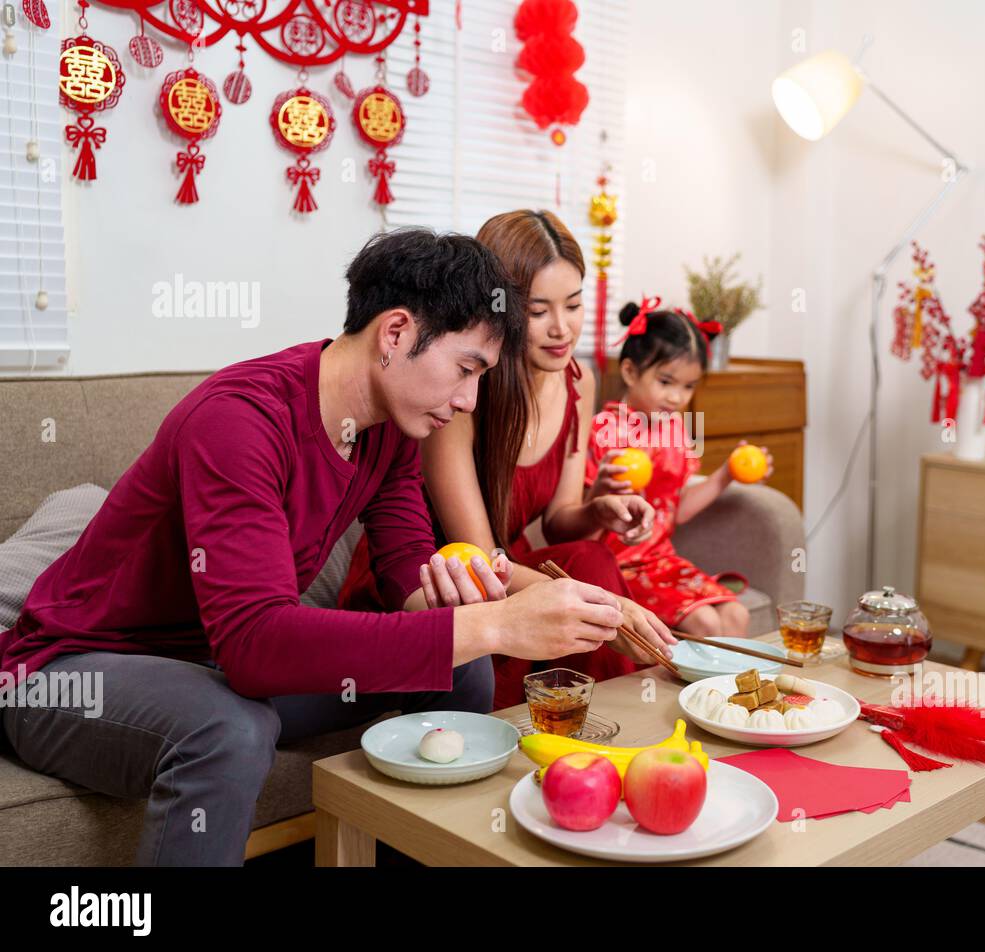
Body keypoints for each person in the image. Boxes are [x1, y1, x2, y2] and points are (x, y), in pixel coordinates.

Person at [0, 228, 629, 866]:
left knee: (460, 663)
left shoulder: (390, 432)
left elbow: (409, 580)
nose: (469, 399)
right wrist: (495, 623)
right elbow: (255, 646)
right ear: (395, 333)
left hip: (206, 664)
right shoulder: (239, 421)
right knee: (230, 730)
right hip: (66, 671)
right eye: (465, 369)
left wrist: (478, 602)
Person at [343, 211, 677, 710]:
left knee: (592, 557)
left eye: (575, 304)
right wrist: (605, 608)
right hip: (447, 575)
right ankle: (513, 728)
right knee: (572, 592)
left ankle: (598, 719)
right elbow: (475, 552)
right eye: (538, 310)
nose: (561, 328)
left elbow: (561, 518)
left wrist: (596, 511)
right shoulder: (461, 391)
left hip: (507, 563)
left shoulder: (578, 382)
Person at [586, 299, 772, 636]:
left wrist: (728, 472)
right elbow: (579, 514)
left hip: (660, 560)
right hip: (615, 566)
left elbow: (677, 511)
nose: (677, 398)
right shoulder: (602, 430)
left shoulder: (676, 429)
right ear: (630, 372)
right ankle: (697, 691)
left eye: (688, 386)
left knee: (736, 615)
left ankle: (728, 690)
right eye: (666, 382)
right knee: (704, 621)